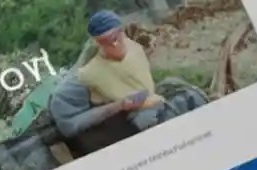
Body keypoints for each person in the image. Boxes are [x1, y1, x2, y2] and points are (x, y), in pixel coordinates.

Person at [77, 10, 206, 132]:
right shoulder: (89, 73)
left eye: (116, 36)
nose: (115, 44)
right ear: (98, 43)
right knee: (159, 118)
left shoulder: (135, 48)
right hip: (135, 115)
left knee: (191, 95)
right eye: (106, 41)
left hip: (156, 99)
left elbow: (147, 86)